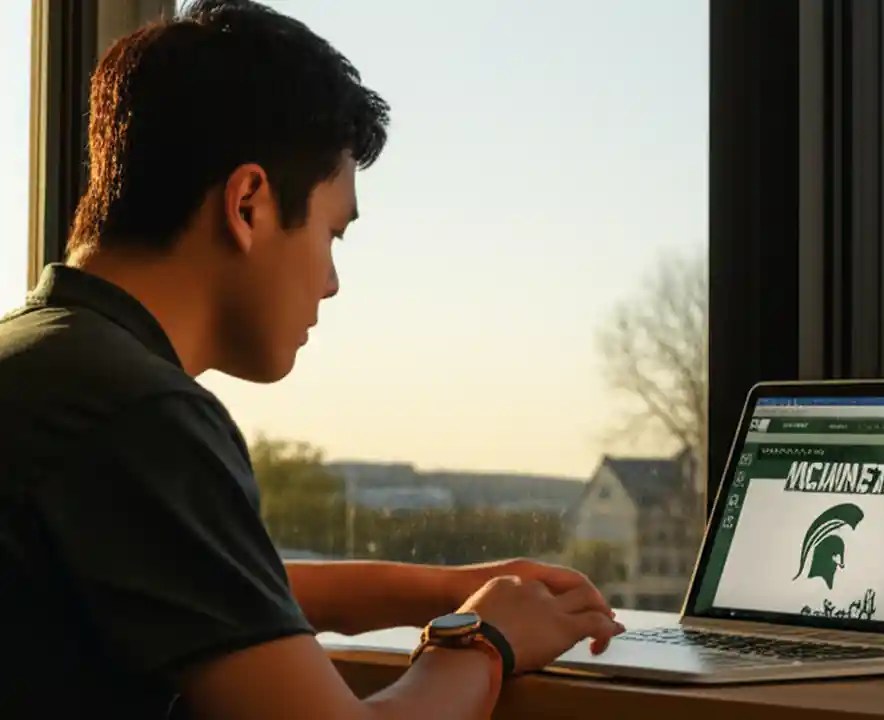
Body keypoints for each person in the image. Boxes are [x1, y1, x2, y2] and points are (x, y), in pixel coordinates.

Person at [0, 1, 623, 717]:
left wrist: (449, 590)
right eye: (333, 234)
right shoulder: (137, 414)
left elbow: (215, 585)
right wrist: (483, 639)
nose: (330, 282)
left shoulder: (44, 366)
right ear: (248, 206)